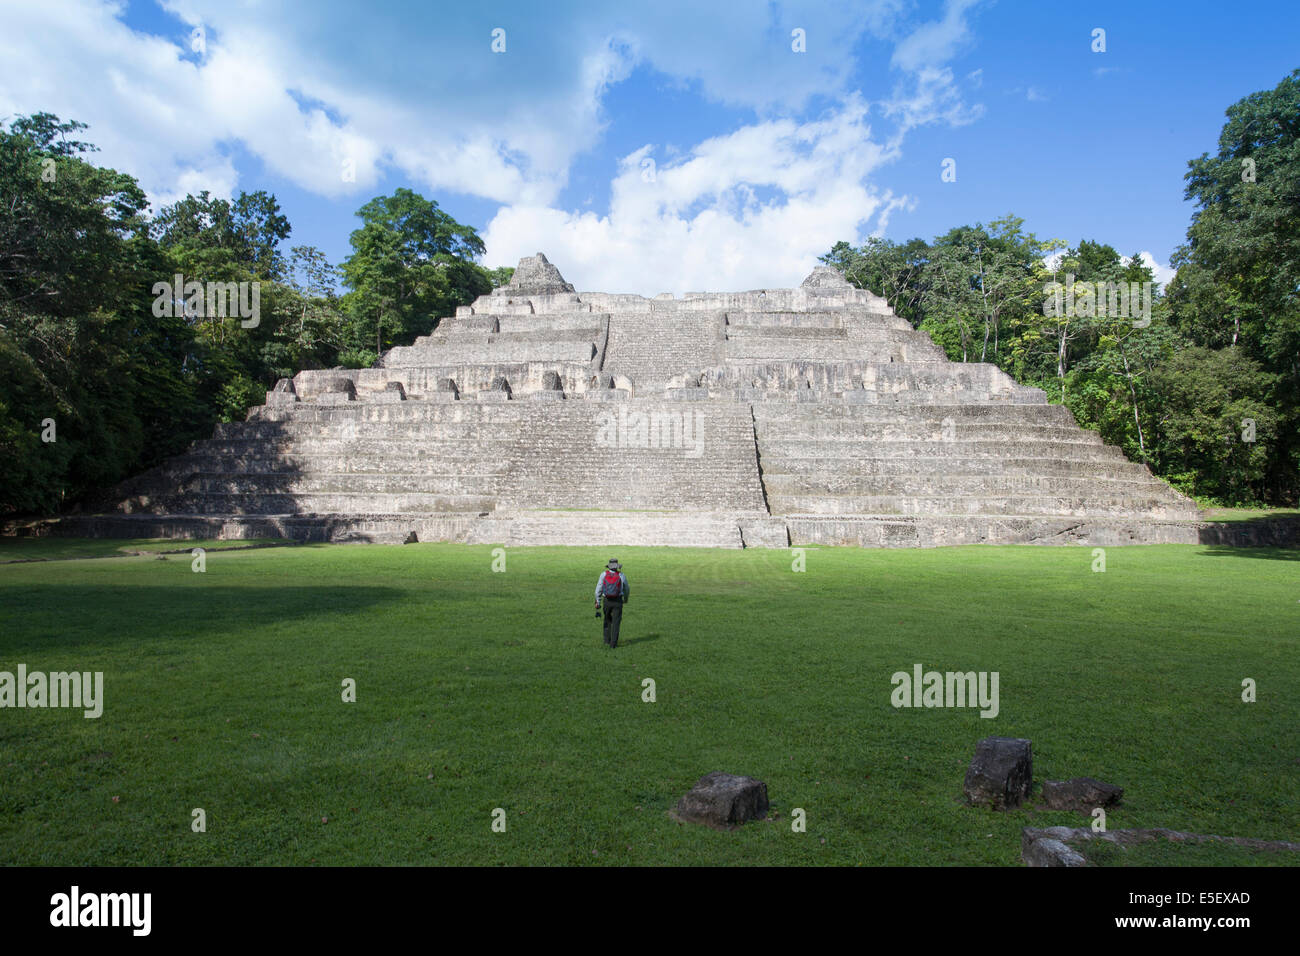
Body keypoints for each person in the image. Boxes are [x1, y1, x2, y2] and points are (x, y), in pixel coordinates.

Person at [594, 558, 629, 648]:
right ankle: (613, 644)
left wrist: (598, 600)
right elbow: (627, 589)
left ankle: (606, 640)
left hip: (607, 601)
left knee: (607, 619)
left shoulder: (603, 574)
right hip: (618, 601)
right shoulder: (621, 575)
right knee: (616, 622)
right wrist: (625, 599)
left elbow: (598, 589)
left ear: (609, 566)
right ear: (617, 566)